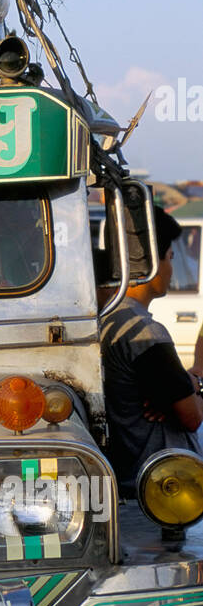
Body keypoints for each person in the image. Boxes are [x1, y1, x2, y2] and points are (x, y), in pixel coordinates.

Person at [100, 205, 203, 497]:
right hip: (159, 488)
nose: (171, 269)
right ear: (151, 264)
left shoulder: (109, 318)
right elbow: (191, 416)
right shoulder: (145, 333)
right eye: (170, 257)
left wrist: (187, 385)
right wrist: (196, 385)